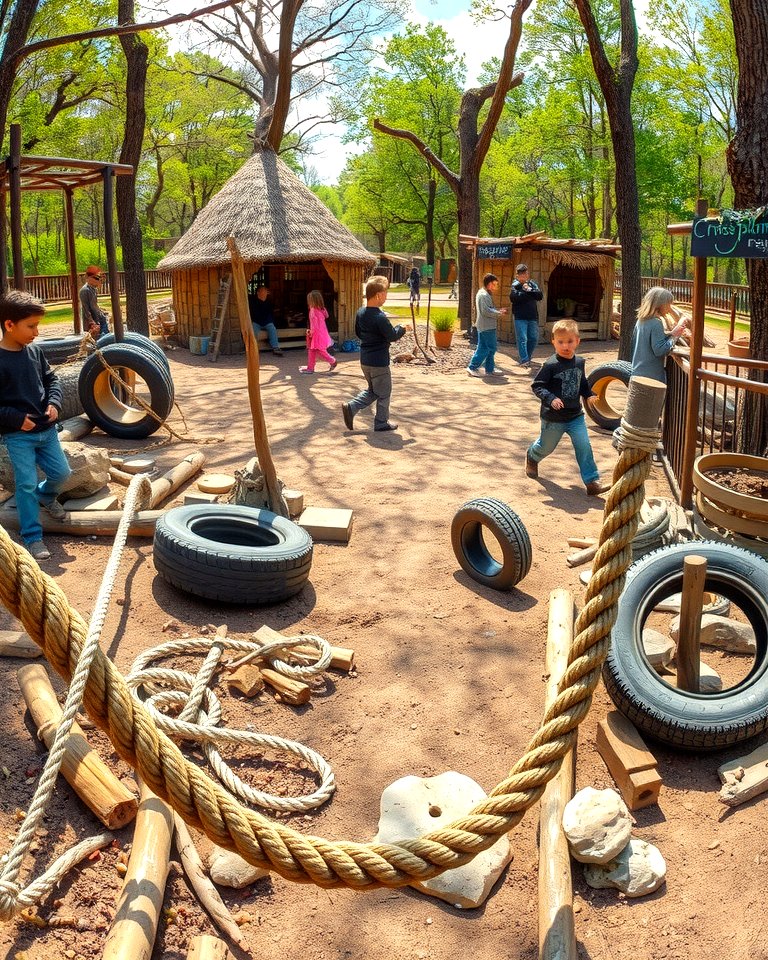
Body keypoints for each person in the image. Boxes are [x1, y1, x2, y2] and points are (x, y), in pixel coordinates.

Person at [0, 290, 72, 561]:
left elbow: (52, 381)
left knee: (62, 474)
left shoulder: (35, 352)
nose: (36, 332)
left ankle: (47, 495)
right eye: (31, 326)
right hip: (18, 436)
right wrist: (17, 419)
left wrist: (55, 403)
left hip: (47, 430)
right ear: (9, 324)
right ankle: (32, 536)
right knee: (26, 484)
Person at [525, 319, 609, 497]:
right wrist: (551, 398)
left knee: (584, 445)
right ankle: (532, 456)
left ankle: (592, 482)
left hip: (575, 416)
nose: (565, 346)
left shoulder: (579, 362)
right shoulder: (550, 365)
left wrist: (589, 394)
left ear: (577, 341)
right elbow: (537, 386)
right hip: (553, 418)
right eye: (560, 342)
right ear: (553, 342)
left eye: (569, 341)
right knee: (546, 447)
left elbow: (582, 382)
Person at [341, 276, 408, 432]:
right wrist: (402, 328)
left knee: (374, 390)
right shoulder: (380, 317)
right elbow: (392, 335)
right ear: (378, 295)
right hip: (379, 361)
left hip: (365, 359)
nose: (386, 296)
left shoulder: (361, 312)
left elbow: (358, 333)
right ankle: (381, 422)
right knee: (384, 392)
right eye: (385, 293)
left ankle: (351, 407)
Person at [631, 286, 689, 383]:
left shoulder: (641, 321)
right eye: (669, 304)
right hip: (652, 378)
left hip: (637, 373)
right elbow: (660, 350)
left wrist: (671, 333)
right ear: (660, 304)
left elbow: (650, 341)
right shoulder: (656, 322)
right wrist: (674, 337)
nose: (670, 308)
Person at [467, 273, 508, 377]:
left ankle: (489, 369)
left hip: (487, 326)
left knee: (488, 347)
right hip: (486, 326)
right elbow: (485, 311)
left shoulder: (484, 293)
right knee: (486, 348)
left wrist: (498, 311)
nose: (495, 287)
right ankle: (472, 367)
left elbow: (488, 309)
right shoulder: (483, 295)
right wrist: (499, 313)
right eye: (494, 284)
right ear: (489, 284)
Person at [509, 263, 543, 369]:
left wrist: (529, 290)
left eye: (525, 274)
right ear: (517, 276)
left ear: (527, 274)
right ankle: (524, 360)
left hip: (532, 316)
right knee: (522, 338)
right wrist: (527, 292)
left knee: (533, 338)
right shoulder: (515, 285)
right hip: (520, 317)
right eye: (521, 274)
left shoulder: (532, 284)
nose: (523, 276)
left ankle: (527, 358)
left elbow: (539, 295)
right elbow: (514, 298)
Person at [300, 290, 337, 374]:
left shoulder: (312, 311)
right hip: (322, 334)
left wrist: (310, 333)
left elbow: (314, 325)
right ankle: (310, 368)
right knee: (312, 351)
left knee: (320, 351)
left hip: (317, 335)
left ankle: (332, 361)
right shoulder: (322, 310)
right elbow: (326, 316)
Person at [250, 287, 283, 356]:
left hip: (267, 322)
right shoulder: (253, 302)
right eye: (262, 292)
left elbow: (271, 313)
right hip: (256, 322)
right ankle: (252, 348)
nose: (264, 293)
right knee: (253, 331)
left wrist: (270, 321)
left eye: (265, 292)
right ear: (258, 293)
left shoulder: (269, 302)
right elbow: (253, 314)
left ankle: (275, 348)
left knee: (272, 328)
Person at [79, 265, 110, 336]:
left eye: (99, 278)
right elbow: (85, 308)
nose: (99, 281)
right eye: (96, 278)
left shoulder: (93, 289)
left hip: (100, 319)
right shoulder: (85, 290)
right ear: (89, 278)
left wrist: (101, 311)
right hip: (93, 322)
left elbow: (94, 305)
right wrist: (92, 322)